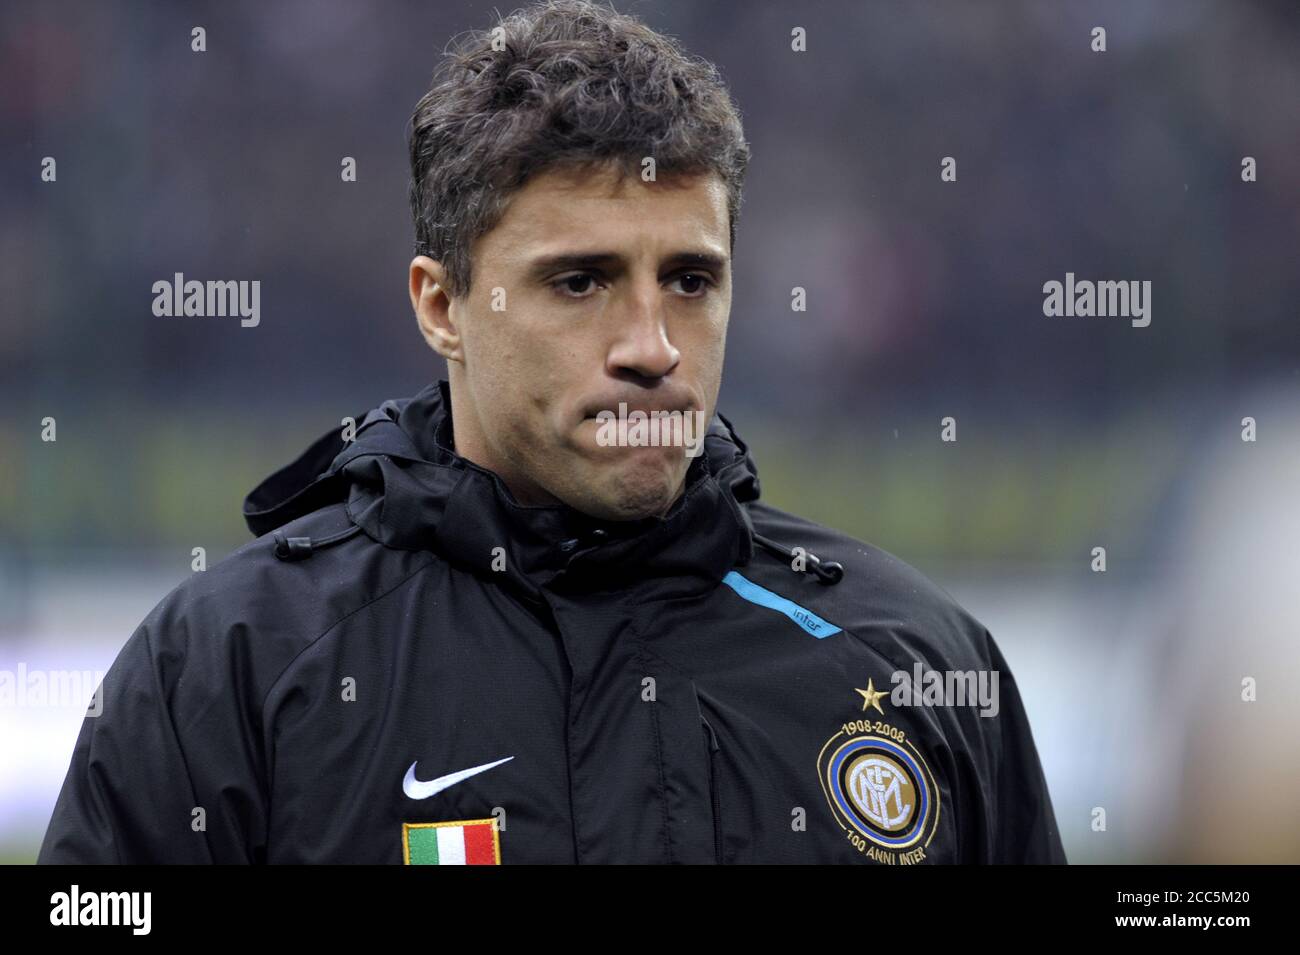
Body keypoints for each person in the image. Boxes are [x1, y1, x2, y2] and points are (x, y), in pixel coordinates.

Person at [38, 0, 1065, 865]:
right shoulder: (229, 672)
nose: (652, 347)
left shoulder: (915, 661)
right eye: (580, 282)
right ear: (441, 305)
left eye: (690, 280)